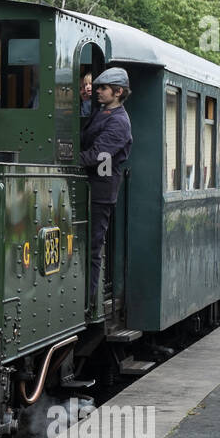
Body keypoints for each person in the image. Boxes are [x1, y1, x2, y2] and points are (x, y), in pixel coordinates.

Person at [80, 67, 132, 307]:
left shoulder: (119, 122)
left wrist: (65, 160)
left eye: (103, 88)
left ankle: (90, 300)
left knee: (93, 246)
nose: (97, 91)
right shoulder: (101, 113)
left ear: (118, 92)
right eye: (97, 87)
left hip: (101, 189)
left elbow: (96, 155)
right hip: (90, 185)